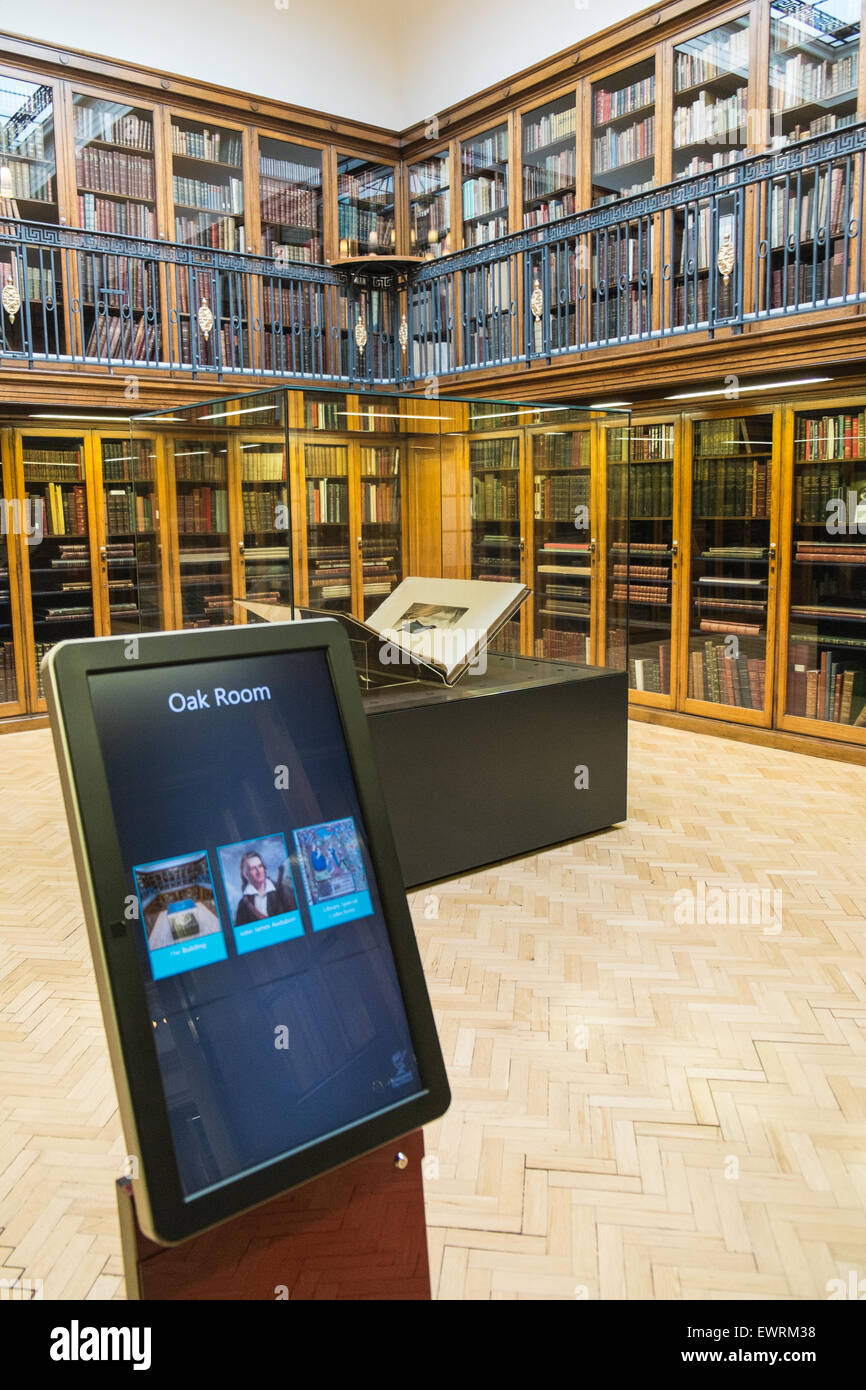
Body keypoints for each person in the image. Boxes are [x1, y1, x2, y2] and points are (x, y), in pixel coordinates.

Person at [234, 851, 295, 926]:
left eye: (260, 866)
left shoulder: (284, 891)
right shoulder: (243, 904)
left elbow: (295, 918)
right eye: (253, 868)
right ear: (246, 874)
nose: (258, 871)